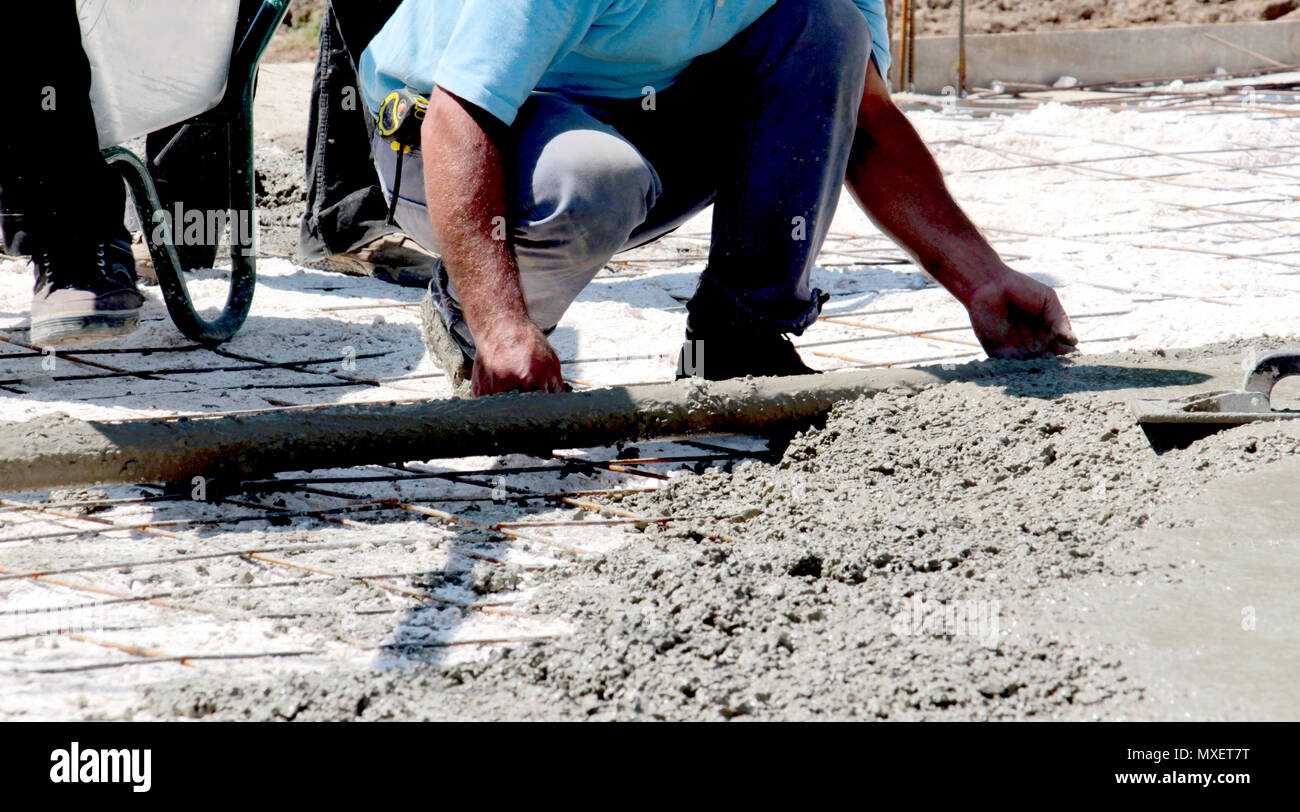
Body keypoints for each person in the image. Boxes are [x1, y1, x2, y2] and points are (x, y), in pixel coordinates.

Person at [357, 0, 1077, 399]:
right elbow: (463, 118)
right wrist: (500, 325)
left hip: (631, 105)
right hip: (442, 132)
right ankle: (474, 318)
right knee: (591, 179)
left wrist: (982, 280)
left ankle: (735, 340)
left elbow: (863, 121)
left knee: (828, 27)